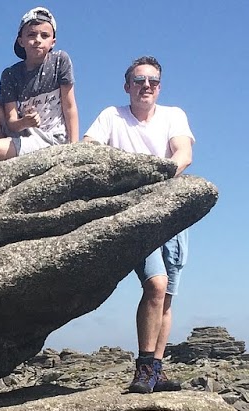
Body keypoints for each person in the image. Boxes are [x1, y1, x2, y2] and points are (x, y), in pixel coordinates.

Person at [83, 55, 195, 393]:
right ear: (127, 85)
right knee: (156, 285)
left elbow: (183, 153)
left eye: (153, 82)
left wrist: (160, 175)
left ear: (160, 86)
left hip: (171, 213)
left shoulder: (174, 115)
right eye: (139, 80)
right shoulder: (111, 116)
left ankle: (157, 370)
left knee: (167, 297)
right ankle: (144, 368)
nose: (146, 86)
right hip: (134, 215)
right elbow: (88, 149)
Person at [0, 7, 79, 162]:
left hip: (53, 137)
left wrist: (74, 147)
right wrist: (25, 122)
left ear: (53, 42)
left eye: (45, 35)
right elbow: (12, 122)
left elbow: (69, 107)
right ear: (21, 41)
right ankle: (9, 156)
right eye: (31, 34)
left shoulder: (60, 61)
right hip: (24, 132)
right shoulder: (10, 75)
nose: (38, 40)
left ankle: (6, 153)